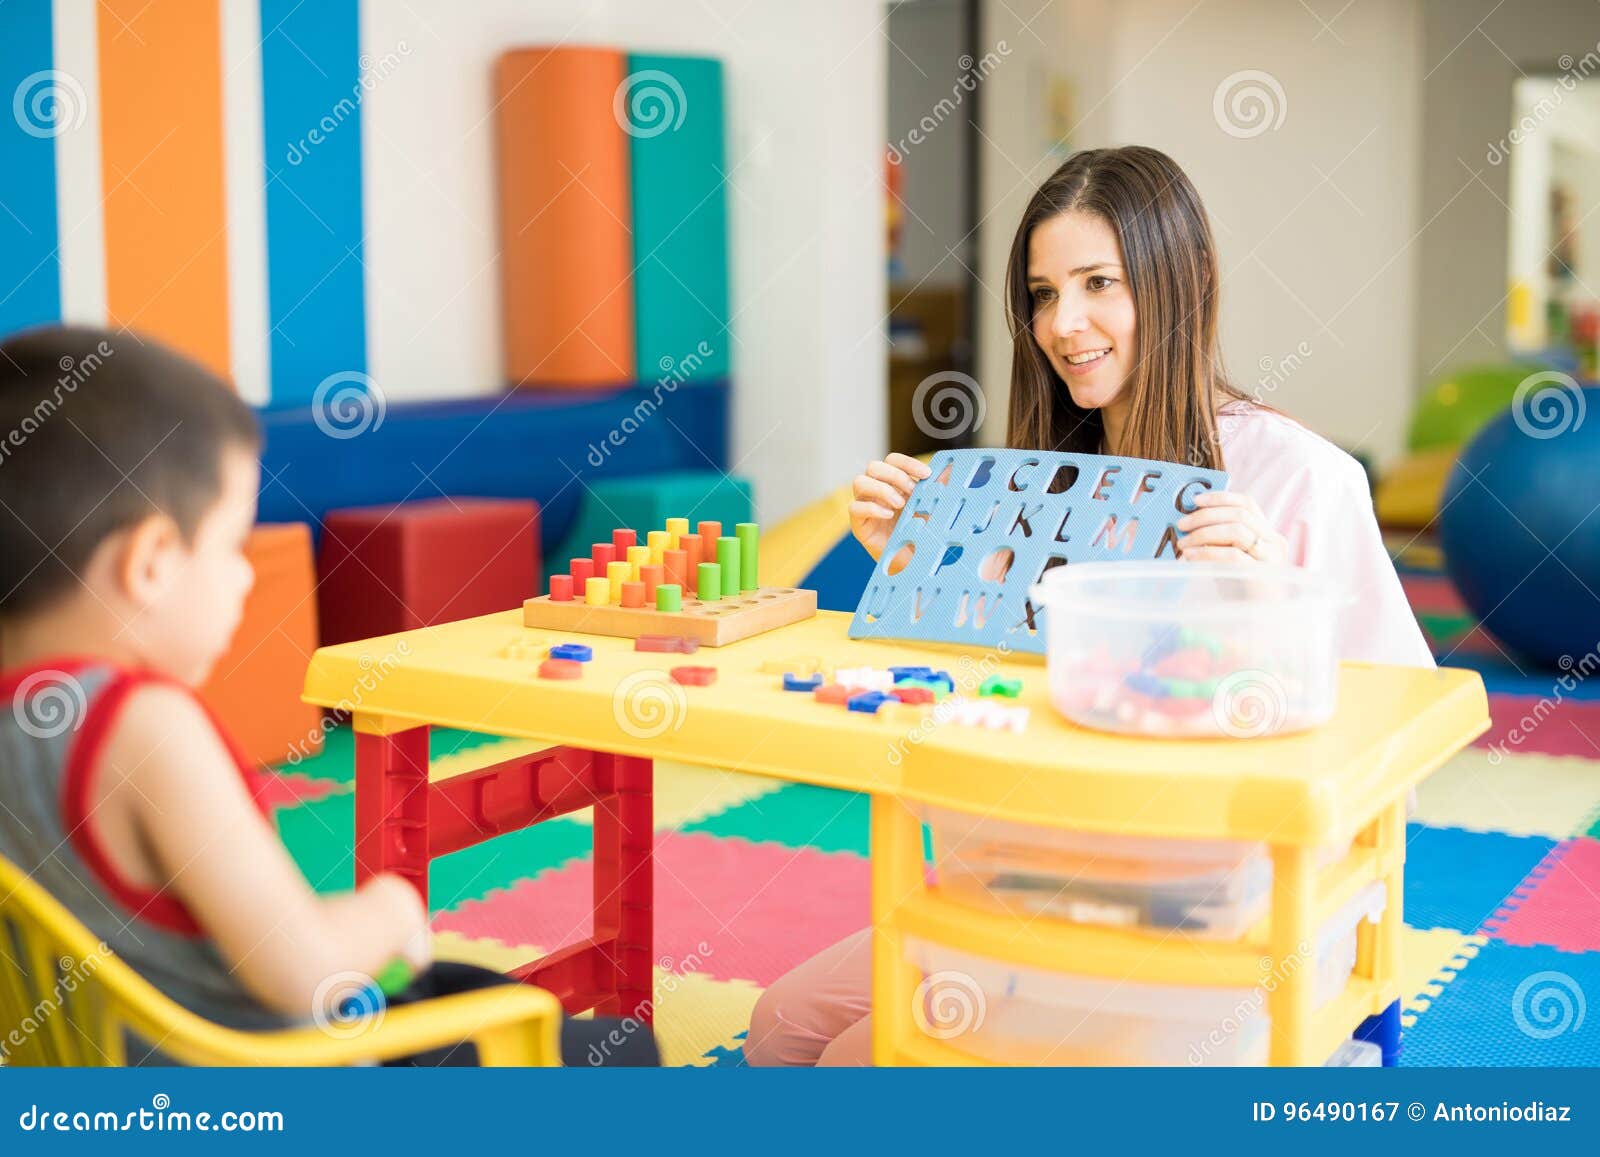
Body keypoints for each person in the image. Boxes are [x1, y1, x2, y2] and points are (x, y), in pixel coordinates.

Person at [743, 145, 1431, 1067]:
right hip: (1036, 877)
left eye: (1098, 282)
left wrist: (1280, 607)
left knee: (851, 1066)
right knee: (779, 1025)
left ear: (1180, 282)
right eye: (1041, 293)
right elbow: (993, 699)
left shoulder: (1304, 478)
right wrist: (917, 571)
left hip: (1221, 916)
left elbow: (1403, 753)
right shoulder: (1040, 484)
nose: (1064, 324)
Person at [0, 326, 654, 1066]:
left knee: (464, 986)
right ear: (150, 563)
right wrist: (392, 906)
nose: (246, 577)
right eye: (232, 547)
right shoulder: (142, 727)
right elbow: (302, 969)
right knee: (621, 1048)